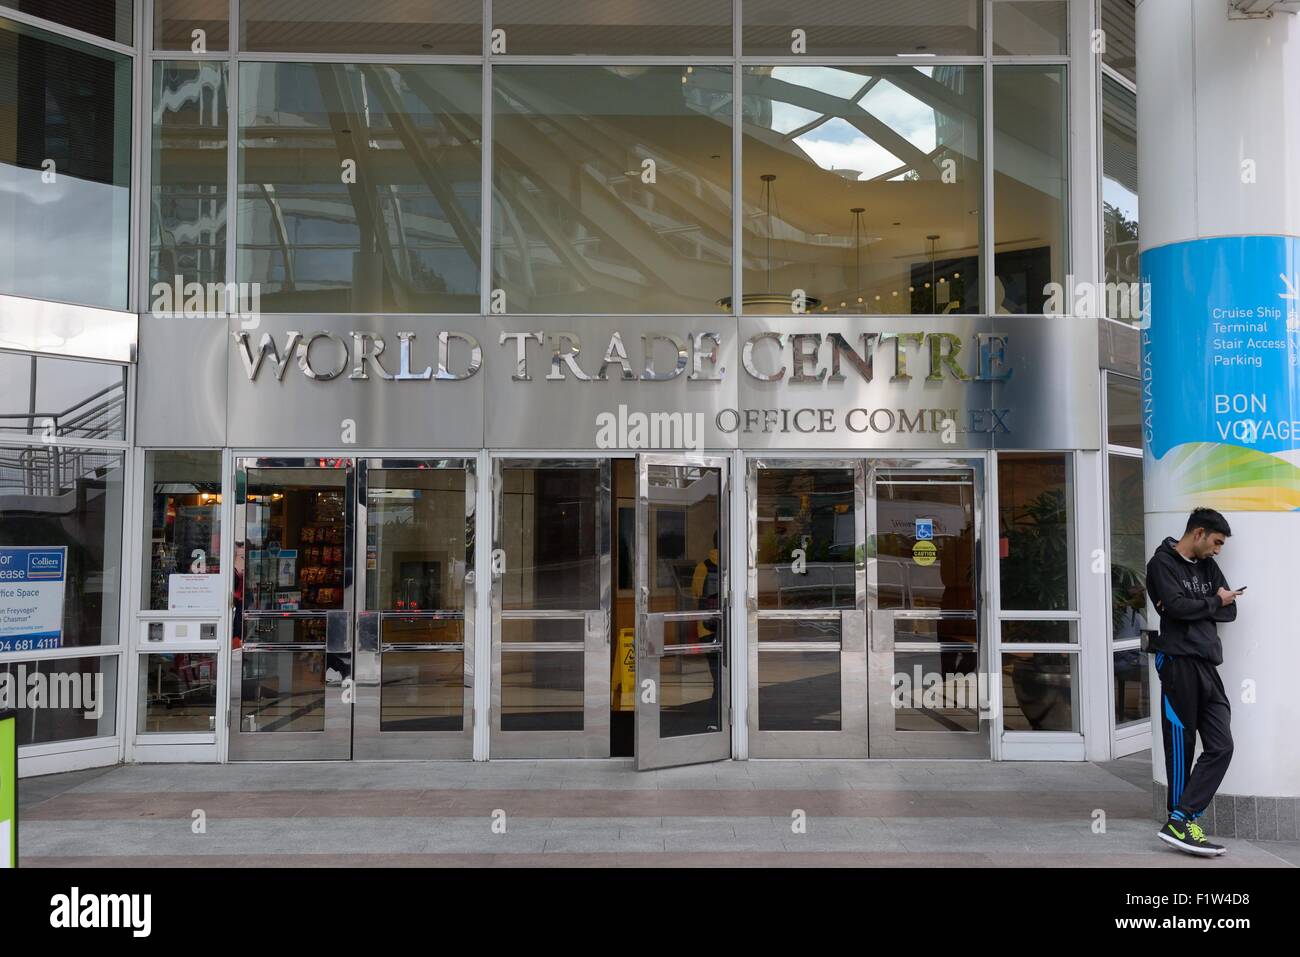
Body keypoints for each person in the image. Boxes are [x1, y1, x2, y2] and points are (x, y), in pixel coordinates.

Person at [1146, 507, 1244, 857]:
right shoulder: (1161, 564)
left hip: (1207, 664)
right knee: (1181, 746)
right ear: (1199, 533)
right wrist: (1213, 601)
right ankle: (1181, 823)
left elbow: (1230, 611)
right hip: (1177, 662)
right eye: (1216, 542)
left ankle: (1182, 818)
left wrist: (1202, 604)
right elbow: (1173, 609)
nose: (1218, 550)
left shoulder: (1208, 567)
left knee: (1221, 744)